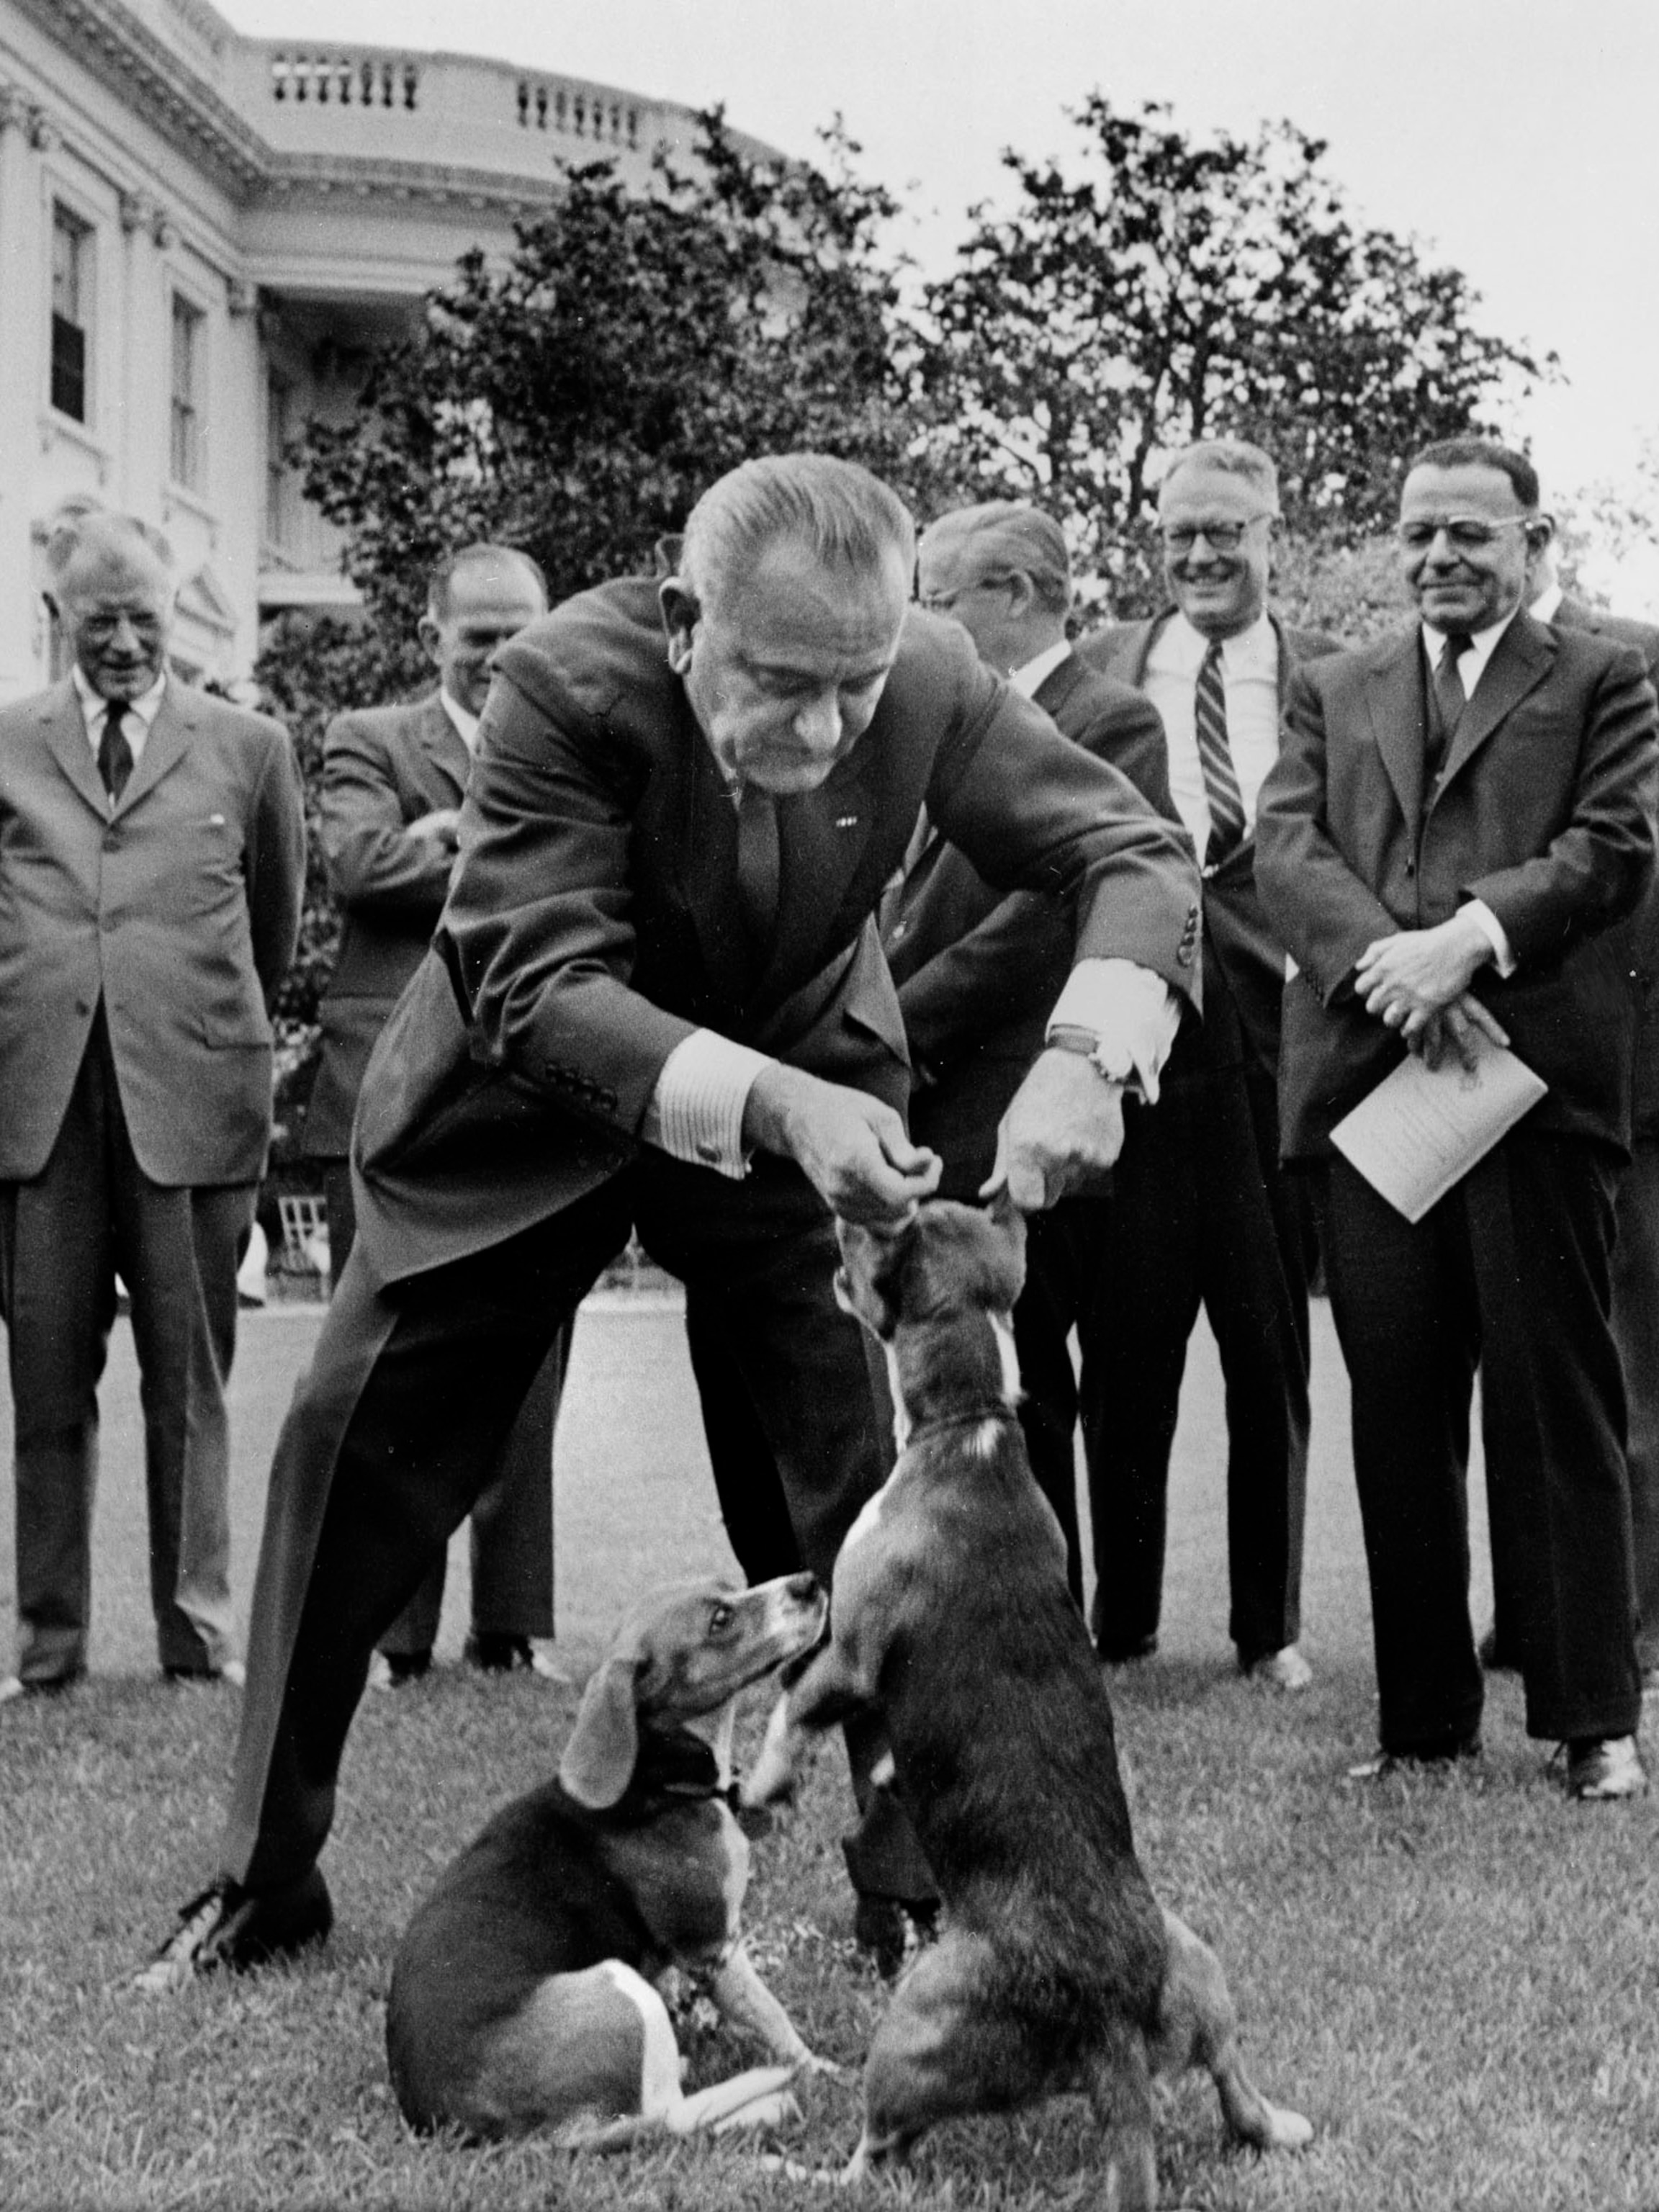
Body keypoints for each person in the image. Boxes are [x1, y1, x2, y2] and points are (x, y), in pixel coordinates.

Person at [139, 451, 1202, 1984]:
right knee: (347, 1457)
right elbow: (536, 982)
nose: (829, 729)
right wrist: (778, 1106)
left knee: (858, 1485)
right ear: (689, 613)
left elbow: (1134, 853)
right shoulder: (566, 683)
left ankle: (912, 1881)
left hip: (809, 1099)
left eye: (859, 686)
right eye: (782, 684)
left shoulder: (931, 676)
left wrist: (1094, 1054)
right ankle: (263, 1874)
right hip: (528, 1106)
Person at [1256, 437, 1658, 1799]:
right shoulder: (1336, 685)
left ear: (1530, 542)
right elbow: (1289, 853)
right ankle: (1423, 1721)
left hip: (1534, 1093)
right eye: (1420, 531)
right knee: (1396, 1406)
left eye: (1471, 535)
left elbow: (1613, 846)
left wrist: (1470, 944)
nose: (1440, 557)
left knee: (1557, 1402)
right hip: (1379, 1087)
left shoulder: (1607, 676)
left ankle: (1592, 1717)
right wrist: (1403, 973)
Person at [0, 511, 304, 1701]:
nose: (123, 642)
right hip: (38, 1113)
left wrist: (196, 1034)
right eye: (97, 621)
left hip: (193, 1104)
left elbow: (271, 926)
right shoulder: (8, 747)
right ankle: (49, 1648)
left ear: (175, 621)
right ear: (56, 621)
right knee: (46, 1381)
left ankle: (197, 1641)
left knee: (190, 1386)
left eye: (144, 620)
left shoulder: (248, 746)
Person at [1065, 440, 1339, 1686]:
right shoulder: (1104, 670)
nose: (1199, 556)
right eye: (1178, 533)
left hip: (1280, 1057)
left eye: (1225, 531)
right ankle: (1122, 1625)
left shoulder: (1332, 682)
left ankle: (1267, 1632)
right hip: (1139, 1043)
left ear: (1274, 533)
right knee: (1128, 1345)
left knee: (1269, 1343)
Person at [891, 499, 1182, 1605]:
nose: (918, 622)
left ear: (1014, 594)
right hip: (933, 1085)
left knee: (1027, 1367)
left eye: (936, 597)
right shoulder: (932, 716)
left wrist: (896, 1020)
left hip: (1020, 1088)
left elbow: (1038, 918)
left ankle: (1041, 1604)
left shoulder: (1108, 719)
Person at [307, 543, 566, 1686]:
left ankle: (513, 1630)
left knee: (529, 1374)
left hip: (530, 1087)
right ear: (434, 636)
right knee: (388, 1375)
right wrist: (500, 853)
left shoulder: (574, 736)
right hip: (389, 1096)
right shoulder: (368, 738)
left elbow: (595, 876)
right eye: (478, 632)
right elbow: (359, 870)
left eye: (522, 628)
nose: (502, 652)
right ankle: (395, 1638)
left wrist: (449, 839)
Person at [1478, 541, 1659, 1701]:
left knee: (1628, 1364)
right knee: (1522, 1356)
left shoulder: (1630, 660)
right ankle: (1538, 1611)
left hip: (1630, 1078)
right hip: (1490, 1068)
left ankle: (1632, 1624)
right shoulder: (1440, 681)